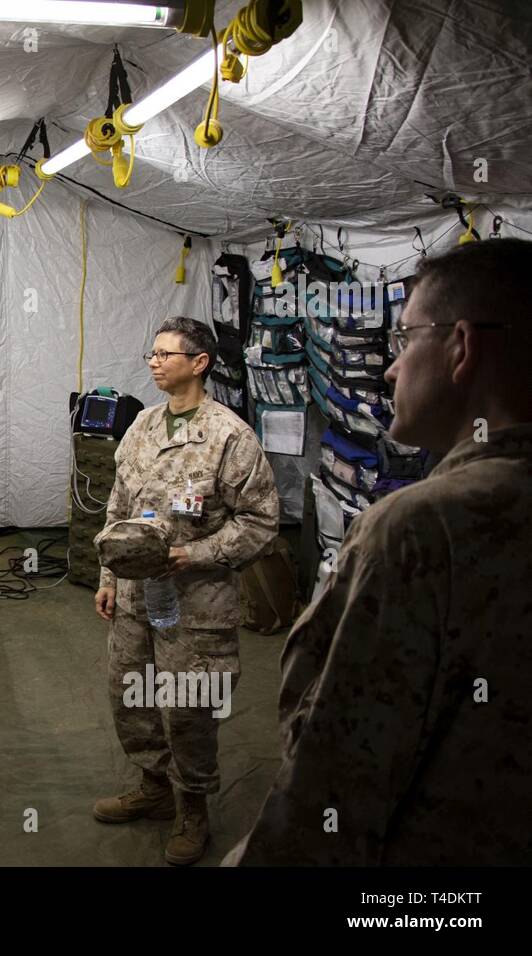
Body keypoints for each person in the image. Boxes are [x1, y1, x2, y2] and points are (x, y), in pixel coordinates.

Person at [225, 238, 532, 865]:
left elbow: (334, 771)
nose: (390, 369)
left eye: (404, 341)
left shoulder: (421, 530)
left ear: (462, 347)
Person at [93, 316, 279, 865]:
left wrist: (192, 554)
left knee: (189, 707)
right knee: (132, 694)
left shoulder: (230, 437)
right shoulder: (142, 427)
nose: (153, 362)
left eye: (165, 354)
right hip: (133, 600)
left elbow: (260, 521)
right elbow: (118, 506)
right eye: (150, 353)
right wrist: (107, 577)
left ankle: (192, 805)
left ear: (199, 363)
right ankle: (154, 787)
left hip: (196, 605)